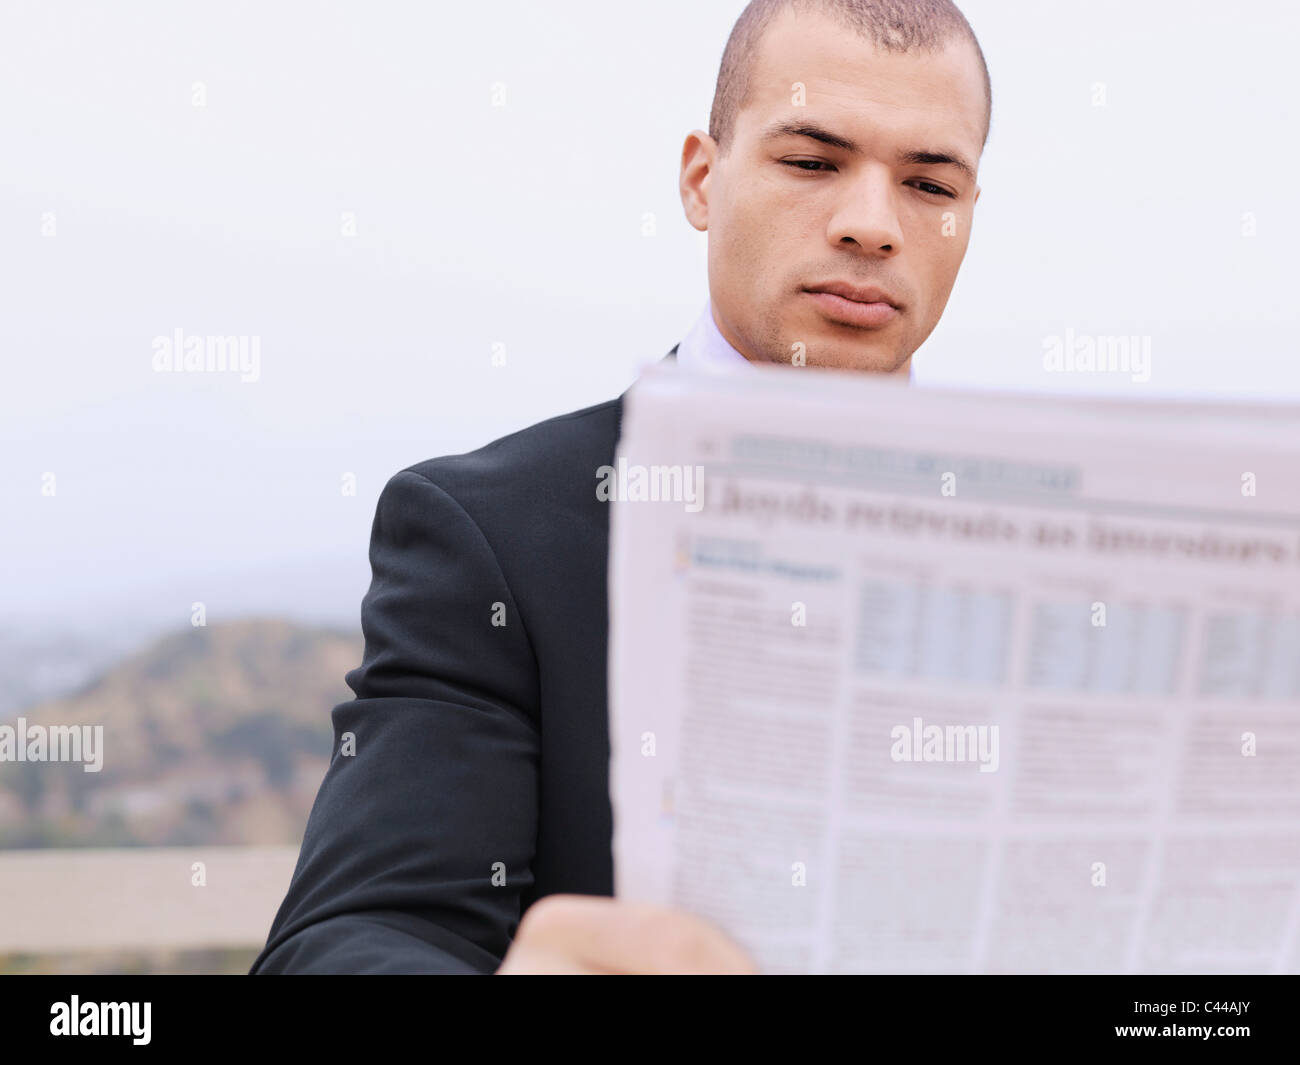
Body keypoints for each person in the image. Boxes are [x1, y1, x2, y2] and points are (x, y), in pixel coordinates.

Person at [251, 0, 991, 975]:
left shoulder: (1058, 554)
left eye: (928, 181)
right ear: (700, 178)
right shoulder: (495, 538)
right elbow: (355, 938)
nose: (870, 225)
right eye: (812, 162)